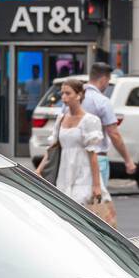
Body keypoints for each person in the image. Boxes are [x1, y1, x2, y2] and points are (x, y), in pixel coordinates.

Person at [34, 79, 104, 208]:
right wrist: (39, 170)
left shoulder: (90, 120)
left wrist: (96, 185)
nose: (64, 97)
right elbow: (52, 148)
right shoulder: (61, 119)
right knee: (65, 211)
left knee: (80, 207)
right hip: (64, 172)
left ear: (79, 95)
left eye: (68, 93)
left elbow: (93, 154)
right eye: (62, 93)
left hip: (83, 173)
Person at [80, 63, 135, 224]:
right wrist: (128, 160)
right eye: (108, 81)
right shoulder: (102, 101)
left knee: (80, 206)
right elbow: (114, 133)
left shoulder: (75, 98)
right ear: (103, 79)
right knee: (98, 208)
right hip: (98, 158)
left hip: (78, 158)